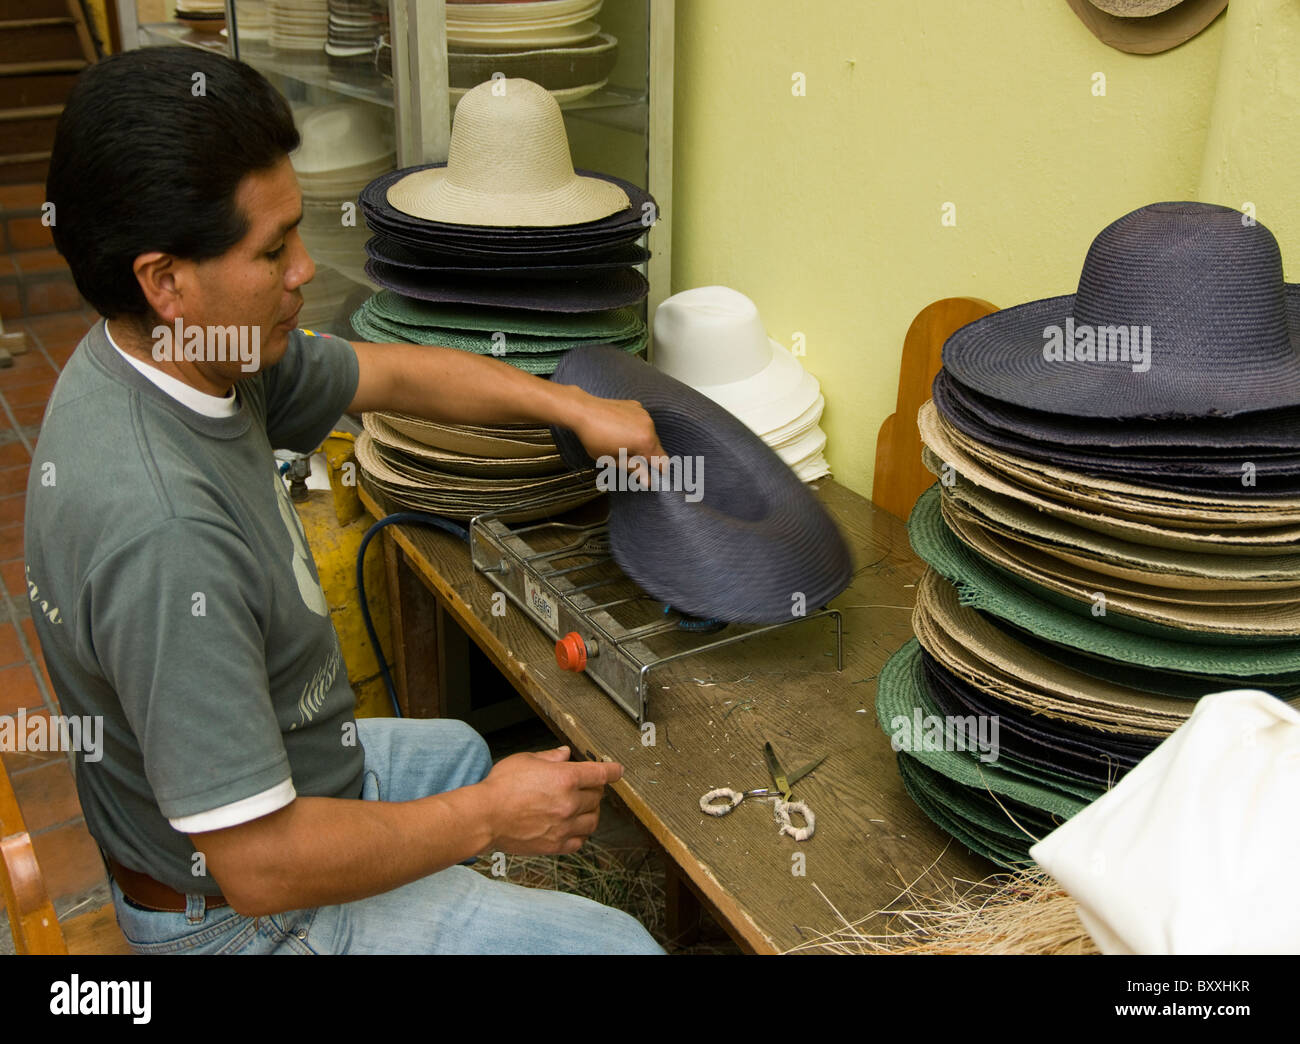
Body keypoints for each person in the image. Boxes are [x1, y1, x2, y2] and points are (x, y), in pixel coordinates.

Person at [25, 46, 666, 954]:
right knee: (616, 946)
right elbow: (258, 865)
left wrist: (571, 404)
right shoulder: (162, 529)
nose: (301, 271)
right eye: (274, 247)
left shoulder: (191, 355)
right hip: (233, 915)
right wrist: (488, 819)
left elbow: (393, 371)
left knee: (461, 753)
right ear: (166, 280)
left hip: (258, 790)